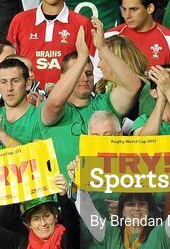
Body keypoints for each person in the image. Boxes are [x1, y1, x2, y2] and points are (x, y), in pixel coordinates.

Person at [36, 19, 141, 172]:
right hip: (67, 193)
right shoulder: (51, 109)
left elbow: (133, 85)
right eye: (78, 73)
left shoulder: (104, 104)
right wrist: (81, 58)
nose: (85, 78)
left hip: (106, 192)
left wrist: (103, 48)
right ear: (63, 78)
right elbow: (56, 102)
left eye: (89, 73)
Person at [6, 0, 96, 89]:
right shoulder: (20, 20)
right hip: (28, 101)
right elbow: (9, 64)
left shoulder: (82, 23)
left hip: (68, 100)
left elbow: (93, 65)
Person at [108, 0, 170, 92]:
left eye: (133, 9)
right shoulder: (110, 37)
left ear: (149, 8)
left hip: (157, 106)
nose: (127, 15)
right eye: (124, 9)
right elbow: (98, 77)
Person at [0, 57, 43, 150]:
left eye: (15, 81)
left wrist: (1, 134)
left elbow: (37, 159)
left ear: (28, 84)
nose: (9, 88)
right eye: (4, 82)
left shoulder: (40, 119)